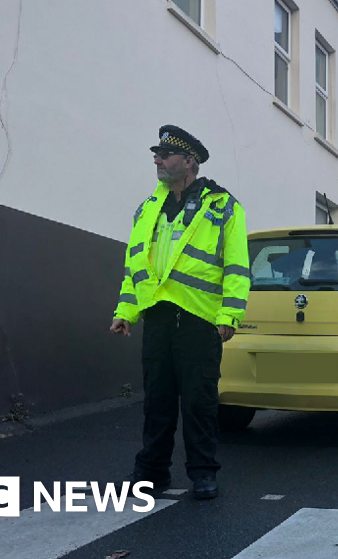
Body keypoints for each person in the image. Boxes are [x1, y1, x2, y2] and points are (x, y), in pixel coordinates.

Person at [110, 125, 250, 500]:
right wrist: (127, 310)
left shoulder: (222, 206)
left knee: (198, 401)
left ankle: (203, 473)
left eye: (165, 154)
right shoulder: (148, 208)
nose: (157, 159)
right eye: (156, 154)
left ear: (190, 161)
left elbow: (236, 266)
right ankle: (151, 473)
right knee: (156, 400)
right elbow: (135, 267)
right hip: (157, 317)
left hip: (200, 319)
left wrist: (229, 316)